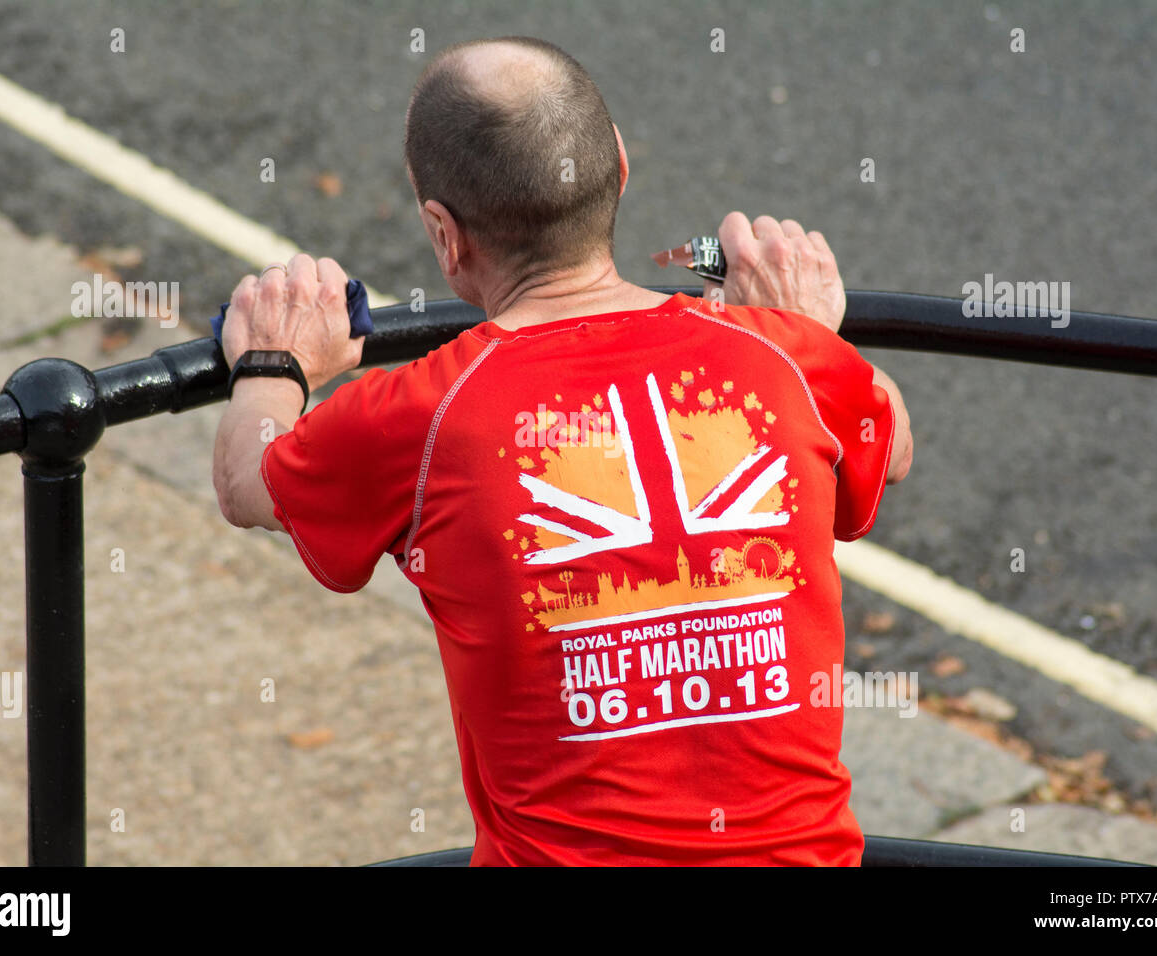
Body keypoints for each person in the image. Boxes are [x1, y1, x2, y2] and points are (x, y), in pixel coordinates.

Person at [213, 35, 912, 866]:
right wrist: (806, 330)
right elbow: (889, 439)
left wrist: (271, 363)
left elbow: (249, 481)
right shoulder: (784, 360)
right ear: (619, 166)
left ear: (445, 233)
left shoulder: (422, 415)